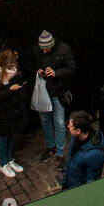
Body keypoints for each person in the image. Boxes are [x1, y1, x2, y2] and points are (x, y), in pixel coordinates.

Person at [29, 30, 76, 168]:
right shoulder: (35, 50)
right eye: (42, 49)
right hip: (43, 92)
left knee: (60, 123)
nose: (44, 52)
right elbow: (29, 66)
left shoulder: (64, 49)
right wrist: (37, 71)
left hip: (57, 91)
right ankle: (51, 146)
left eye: (47, 49)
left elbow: (72, 69)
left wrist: (56, 73)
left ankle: (60, 153)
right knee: (44, 120)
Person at [0, 49, 28, 179]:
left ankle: (10, 159)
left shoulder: (13, 72)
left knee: (11, 134)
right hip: (0, 112)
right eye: (8, 63)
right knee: (3, 137)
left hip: (12, 109)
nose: (11, 65)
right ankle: (3, 163)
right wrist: (10, 90)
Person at [62, 110, 104, 190]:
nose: (68, 126)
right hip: (69, 184)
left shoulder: (95, 155)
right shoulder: (75, 136)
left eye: (70, 125)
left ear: (78, 131)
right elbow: (70, 158)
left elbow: (91, 183)